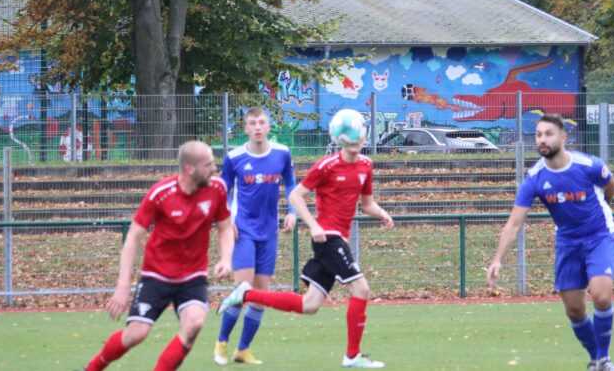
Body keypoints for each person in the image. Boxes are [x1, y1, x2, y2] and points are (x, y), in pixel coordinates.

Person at [217, 118, 393, 369]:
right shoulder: (326, 165)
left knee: (309, 305)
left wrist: (382, 214)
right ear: (339, 138)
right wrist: (313, 225)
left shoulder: (366, 165)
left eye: (359, 135)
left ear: (365, 137)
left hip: (338, 238)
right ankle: (352, 356)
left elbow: (367, 204)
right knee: (361, 289)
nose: (356, 140)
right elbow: (295, 195)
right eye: (350, 136)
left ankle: (245, 294)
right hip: (327, 238)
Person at [486, 113, 614, 371]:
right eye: (538, 135)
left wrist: (604, 208)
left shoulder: (588, 165)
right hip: (568, 242)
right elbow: (514, 223)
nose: (542, 140)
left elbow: (610, 185)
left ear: (563, 137)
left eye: (548, 134)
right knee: (574, 310)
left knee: (601, 296)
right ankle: (597, 361)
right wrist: (497, 260)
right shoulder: (535, 177)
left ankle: (603, 361)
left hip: (599, 236)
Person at [83, 140, 233, 371]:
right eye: (208, 165)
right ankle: (92, 368)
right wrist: (123, 286)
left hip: (193, 276)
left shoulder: (218, 188)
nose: (214, 169)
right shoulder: (161, 193)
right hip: (157, 275)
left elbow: (225, 228)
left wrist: (225, 259)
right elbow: (133, 237)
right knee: (136, 334)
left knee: (194, 323)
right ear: (189, 168)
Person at [214, 106, 298, 365]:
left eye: (262, 122)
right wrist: (227, 220)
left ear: (269, 126)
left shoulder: (282, 153)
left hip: (269, 232)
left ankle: (243, 349)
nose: (258, 127)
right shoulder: (234, 157)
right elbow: (223, 190)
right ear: (246, 128)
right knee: (243, 290)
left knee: (261, 294)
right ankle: (222, 343)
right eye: (253, 123)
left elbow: (291, 183)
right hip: (243, 230)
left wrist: (292, 211)